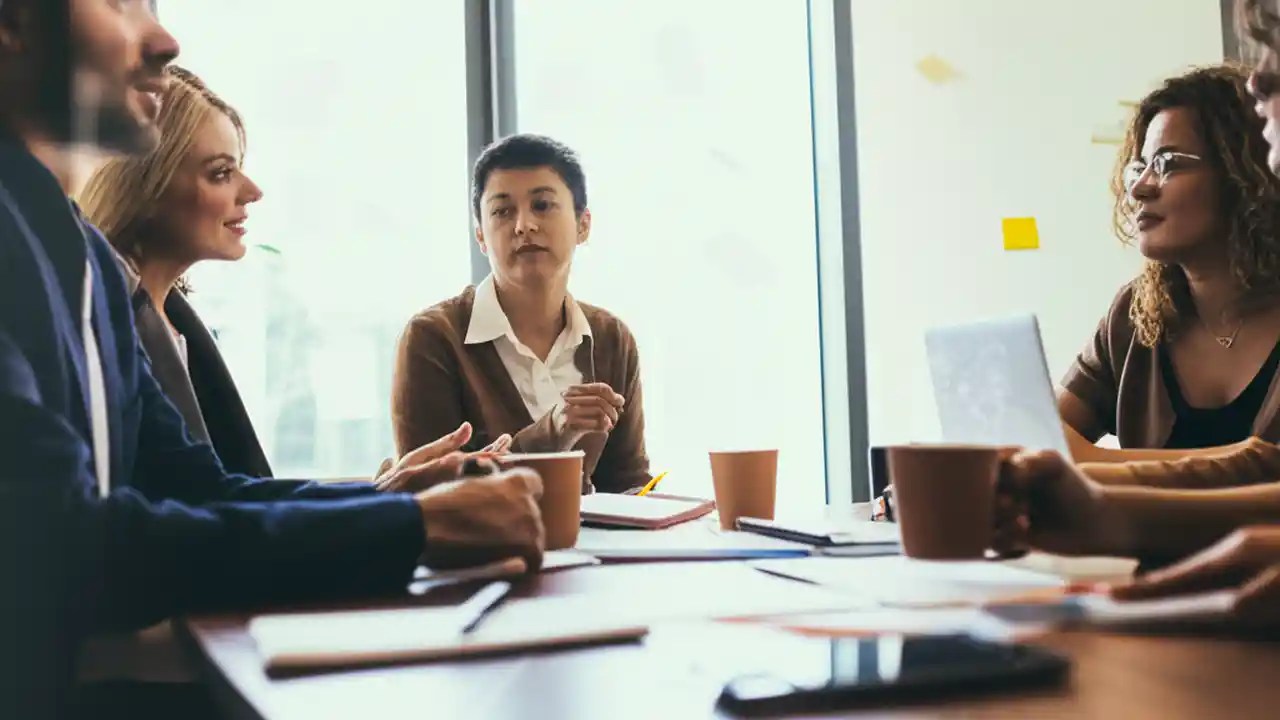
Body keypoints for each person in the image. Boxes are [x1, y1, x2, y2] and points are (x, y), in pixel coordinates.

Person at [0, 2, 543, 717]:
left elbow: (201, 490)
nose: (164, 39)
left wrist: (405, 506)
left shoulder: (89, 262)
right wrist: (416, 526)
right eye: (119, 2)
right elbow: (63, 548)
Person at [393, 133, 651, 494]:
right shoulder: (433, 338)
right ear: (480, 236)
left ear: (583, 225)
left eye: (542, 205)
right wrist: (553, 431)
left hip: (595, 535)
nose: (524, 225)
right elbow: (427, 496)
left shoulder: (612, 339)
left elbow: (630, 488)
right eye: (502, 211)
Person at [1059, 64, 1280, 461]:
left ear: (1244, 175)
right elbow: (1047, 436)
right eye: (1139, 167)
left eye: (1169, 163)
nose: (1140, 188)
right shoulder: (1135, 311)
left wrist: (1095, 462)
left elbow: (1268, 472)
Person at [76, 65, 273, 476]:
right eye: (221, 173)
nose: (252, 192)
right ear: (145, 185)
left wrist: (381, 496)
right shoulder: (100, 332)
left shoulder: (178, 327)